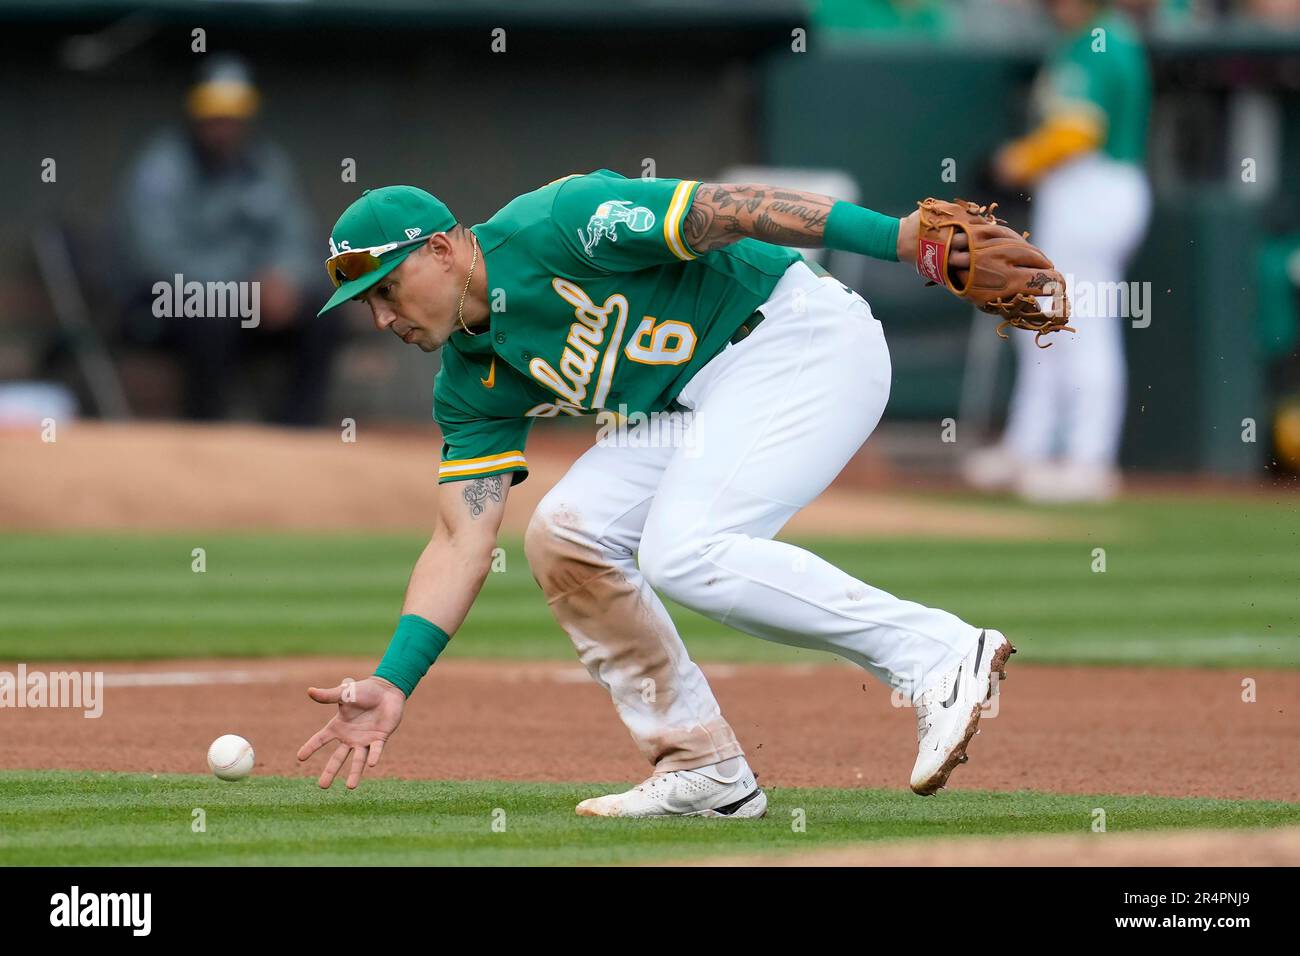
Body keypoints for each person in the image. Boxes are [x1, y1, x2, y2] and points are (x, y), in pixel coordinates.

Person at [296, 172, 1026, 816]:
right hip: (695, 405)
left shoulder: (563, 222)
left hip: (794, 339)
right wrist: (393, 680)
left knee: (687, 553)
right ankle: (701, 766)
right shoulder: (468, 380)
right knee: (565, 533)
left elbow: (732, 208)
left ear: (442, 250)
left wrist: (898, 239)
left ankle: (937, 655)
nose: (382, 318)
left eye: (385, 288)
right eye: (366, 303)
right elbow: (461, 539)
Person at [965, 0, 1151, 502]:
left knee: (1083, 320)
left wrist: (1013, 162)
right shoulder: (1084, 37)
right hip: (1078, 190)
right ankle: (1029, 447)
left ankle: (1088, 460)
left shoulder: (1102, 40)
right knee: (1040, 317)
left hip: (1095, 189)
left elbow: (1077, 132)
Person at [116, 55, 339, 425]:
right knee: (210, 313)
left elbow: (296, 236)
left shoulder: (265, 163)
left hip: (254, 306)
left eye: (233, 115)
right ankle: (207, 435)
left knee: (321, 311)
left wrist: (285, 278)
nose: (224, 126)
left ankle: (299, 436)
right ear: (195, 112)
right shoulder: (163, 167)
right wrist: (244, 288)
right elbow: (156, 258)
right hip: (167, 307)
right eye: (214, 115)